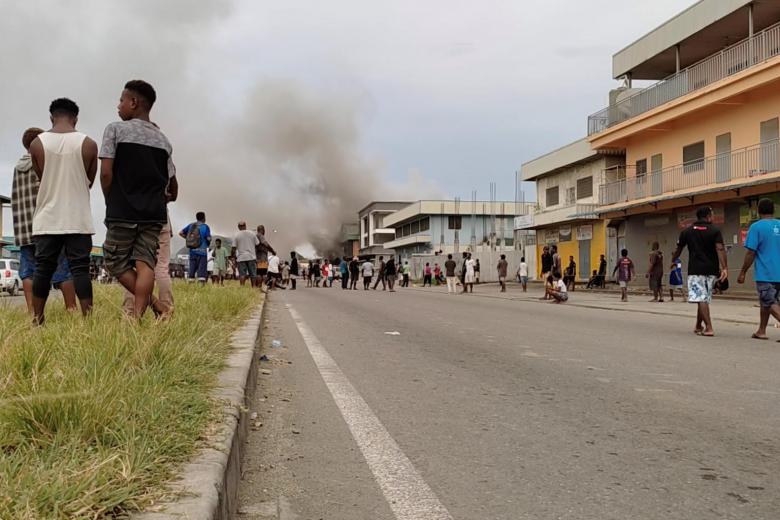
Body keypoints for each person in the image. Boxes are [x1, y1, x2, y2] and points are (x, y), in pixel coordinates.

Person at [29, 98, 97, 325]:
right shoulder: (88, 144)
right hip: (78, 217)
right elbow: (89, 181)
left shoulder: (37, 144)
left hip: (47, 217)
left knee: (43, 268)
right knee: (80, 269)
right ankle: (88, 322)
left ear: (51, 117)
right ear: (75, 118)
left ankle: (37, 321)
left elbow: (41, 176)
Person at [12, 127, 77, 315]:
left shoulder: (17, 167)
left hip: (24, 230)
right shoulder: (44, 163)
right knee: (63, 269)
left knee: (28, 271)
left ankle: (33, 313)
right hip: (48, 227)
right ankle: (71, 310)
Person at [670, 206, 728, 337]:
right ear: (708, 216)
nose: (713, 217)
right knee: (703, 298)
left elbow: (678, 249)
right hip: (712, 270)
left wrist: (673, 260)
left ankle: (709, 327)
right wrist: (724, 268)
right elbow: (720, 249)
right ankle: (698, 325)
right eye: (712, 214)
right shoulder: (715, 230)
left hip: (696, 270)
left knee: (701, 297)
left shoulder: (687, 231)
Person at [738, 198, 780, 340]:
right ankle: (761, 330)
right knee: (766, 302)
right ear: (773, 211)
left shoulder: (756, 227)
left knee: (769, 301)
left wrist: (743, 271)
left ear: (758, 211)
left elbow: (751, 252)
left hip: (766, 273)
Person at [180, 212, 211, 285]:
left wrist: (188, 239)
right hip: (202, 252)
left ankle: (191, 286)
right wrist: (209, 240)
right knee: (201, 271)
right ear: (204, 218)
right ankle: (201, 287)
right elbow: (208, 238)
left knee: (192, 269)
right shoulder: (205, 227)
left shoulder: (191, 225)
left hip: (192, 251)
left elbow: (181, 233)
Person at [231, 221, 259, 287]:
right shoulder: (252, 233)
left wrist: (233, 257)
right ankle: (254, 287)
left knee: (242, 275)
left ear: (238, 227)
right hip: (251, 257)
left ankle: (242, 288)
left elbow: (233, 248)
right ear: (245, 226)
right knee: (253, 274)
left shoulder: (236, 235)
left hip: (241, 258)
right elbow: (257, 244)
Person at [255, 225, 276, 290]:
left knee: (259, 273)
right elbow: (265, 243)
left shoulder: (256, 236)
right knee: (262, 274)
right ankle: (262, 287)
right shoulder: (260, 235)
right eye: (264, 230)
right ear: (262, 230)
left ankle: (259, 287)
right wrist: (272, 250)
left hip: (258, 258)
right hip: (262, 258)